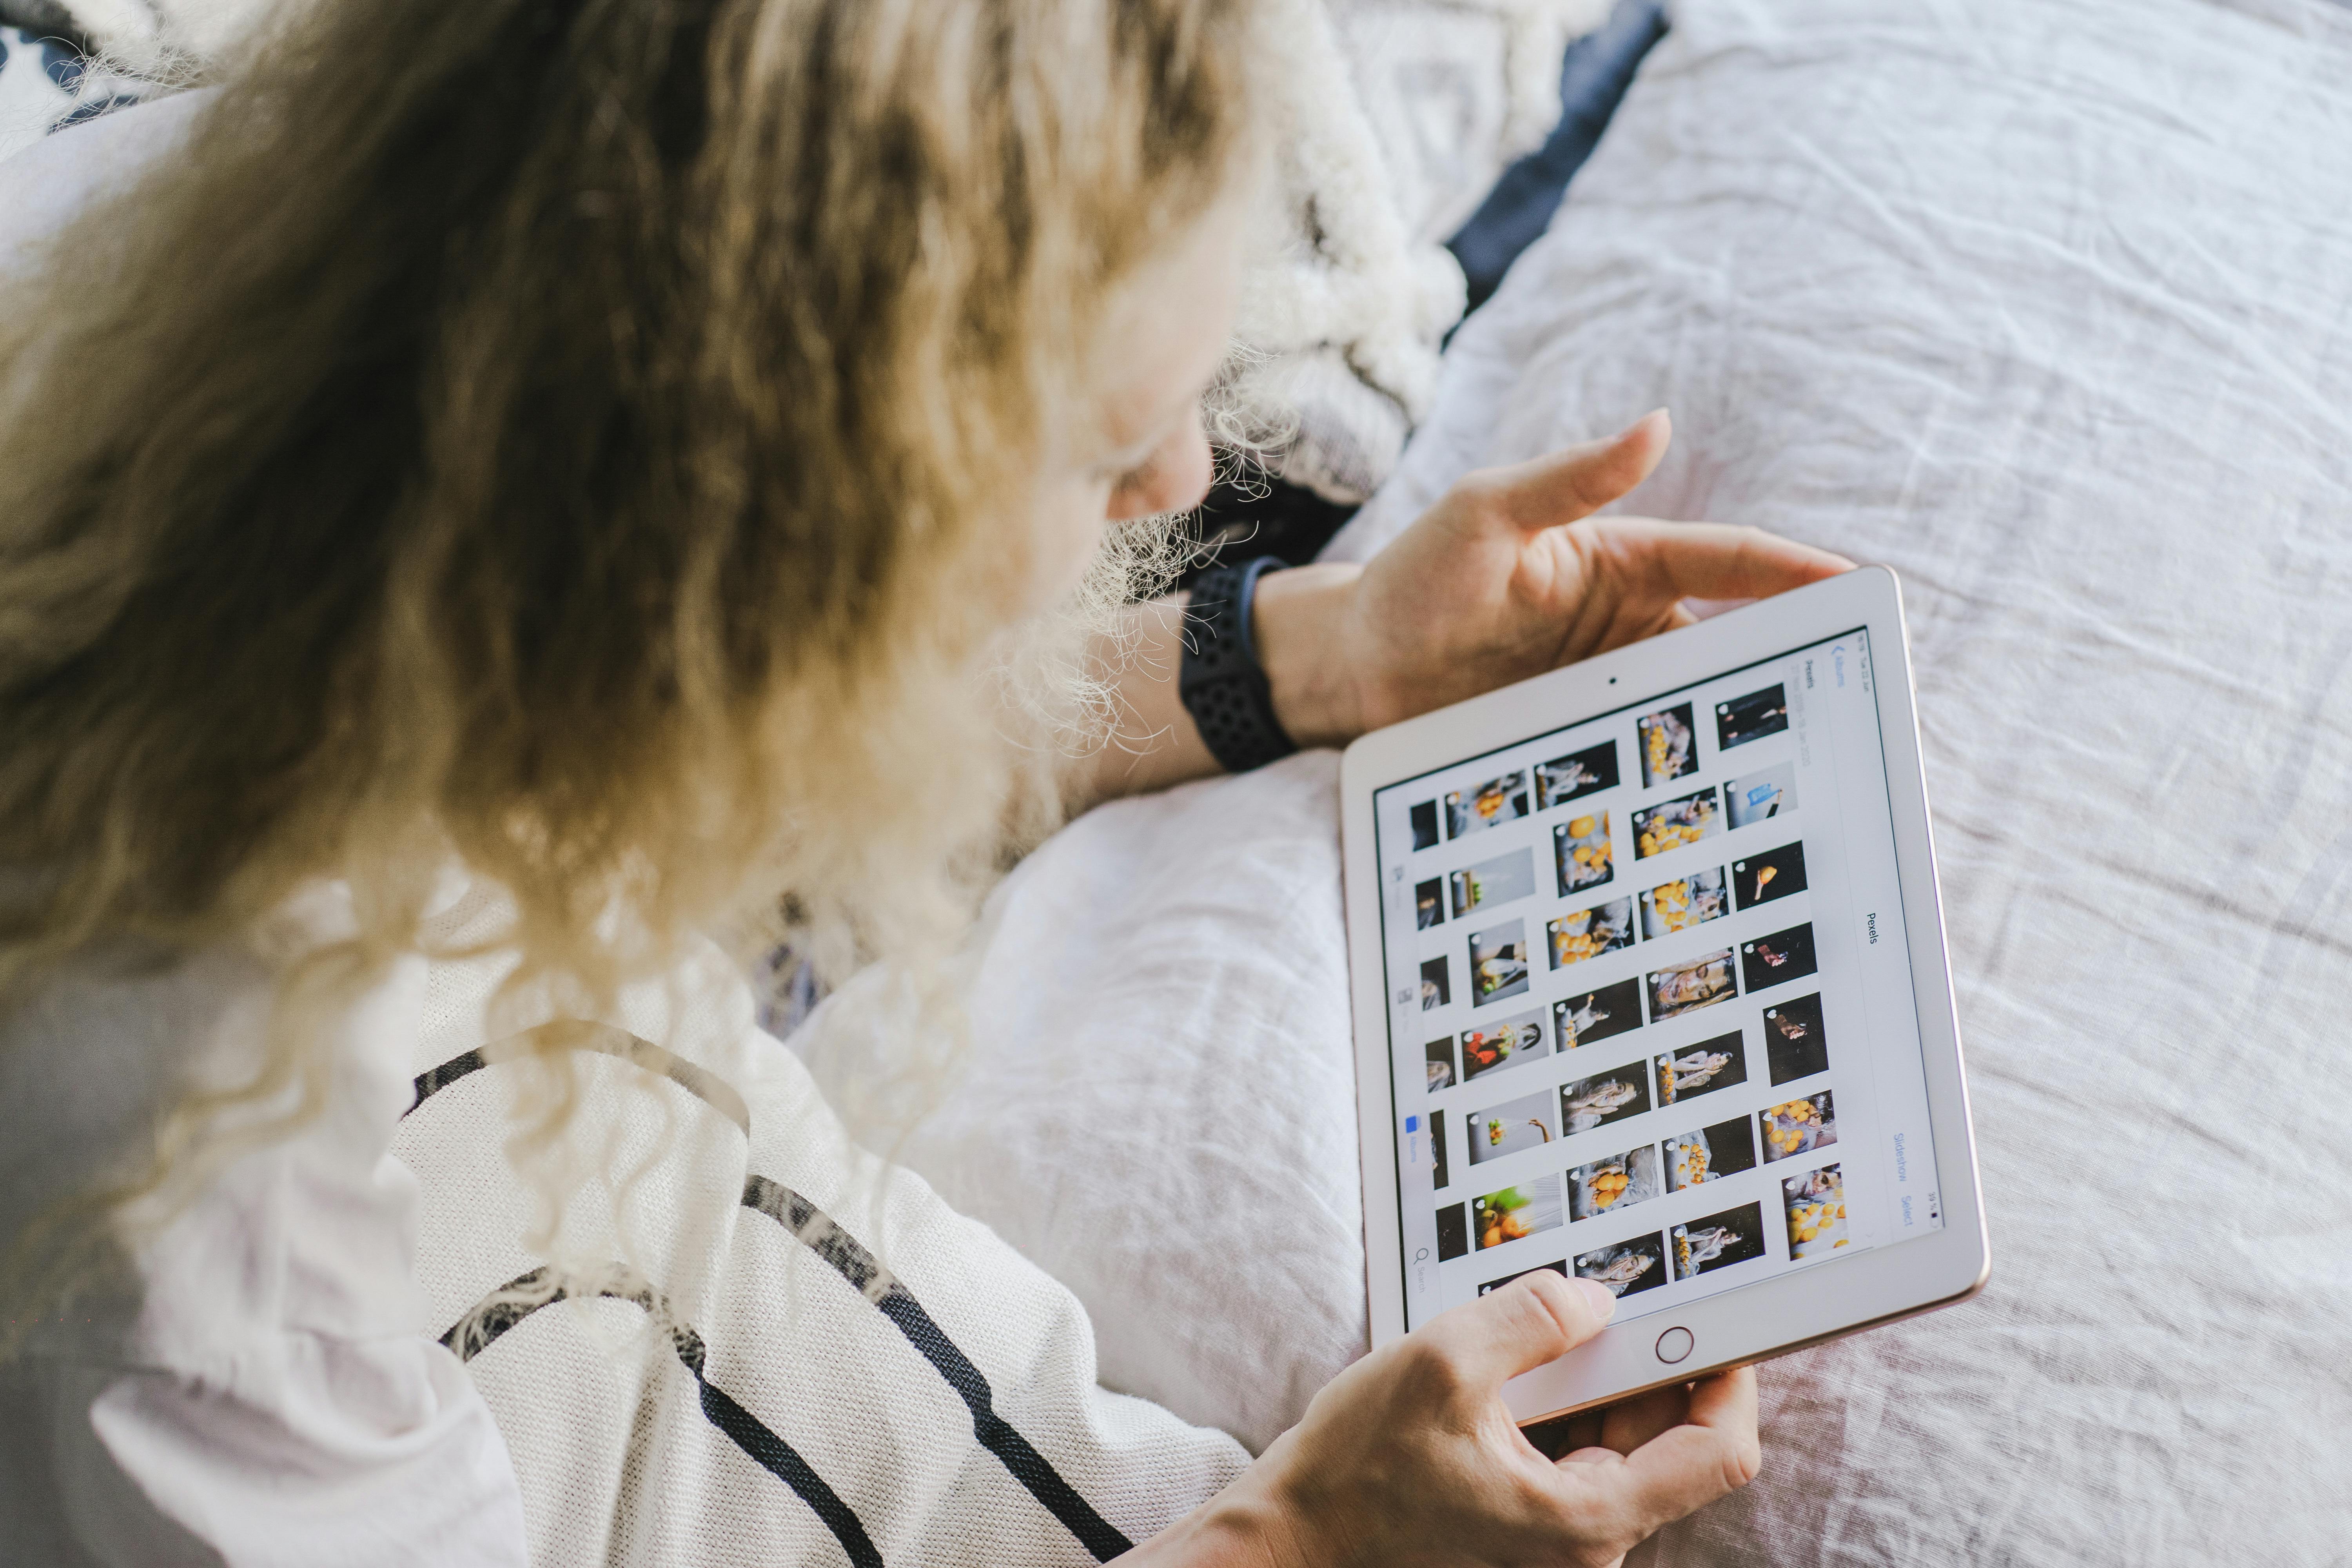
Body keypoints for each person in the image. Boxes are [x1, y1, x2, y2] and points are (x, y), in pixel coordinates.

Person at [0, 0, 1852, 1562]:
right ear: (762, 496)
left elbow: (805, 733)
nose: (1188, 483)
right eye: (1107, 442)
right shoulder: (197, 1233)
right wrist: (1294, 1542)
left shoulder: (319, 297)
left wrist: (1318, 649)